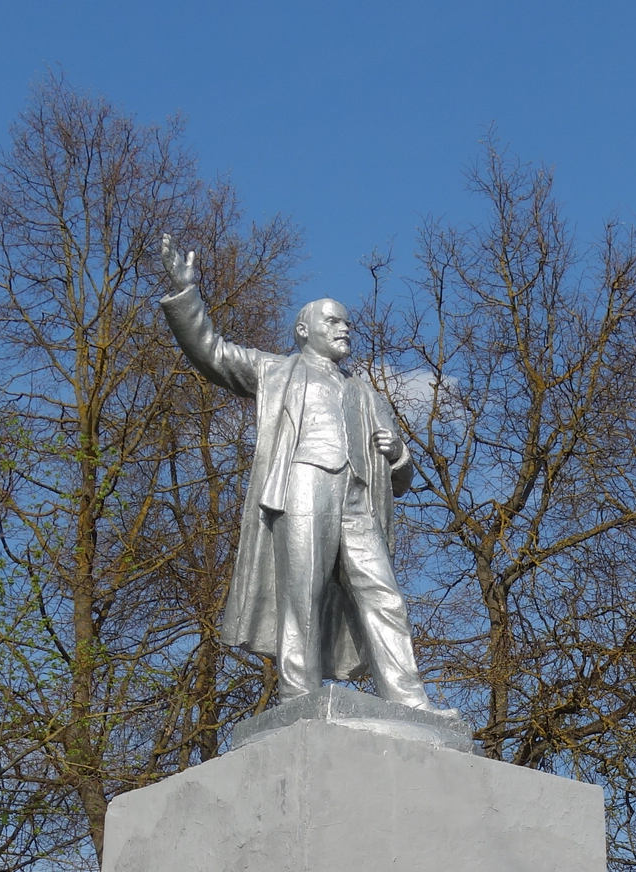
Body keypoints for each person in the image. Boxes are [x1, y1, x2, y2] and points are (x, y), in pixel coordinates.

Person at [154, 234, 445, 712]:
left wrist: (398, 456)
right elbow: (212, 352)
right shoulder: (276, 371)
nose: (344, 328)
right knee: (302, 591)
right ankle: (299, 695)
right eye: (333, 321)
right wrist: (186, 294)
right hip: (304, 482)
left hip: (359, 497)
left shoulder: (365, 395)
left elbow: (399, 479)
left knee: (384, 594)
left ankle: (409, 700)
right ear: (303, 329)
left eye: (347, 323)